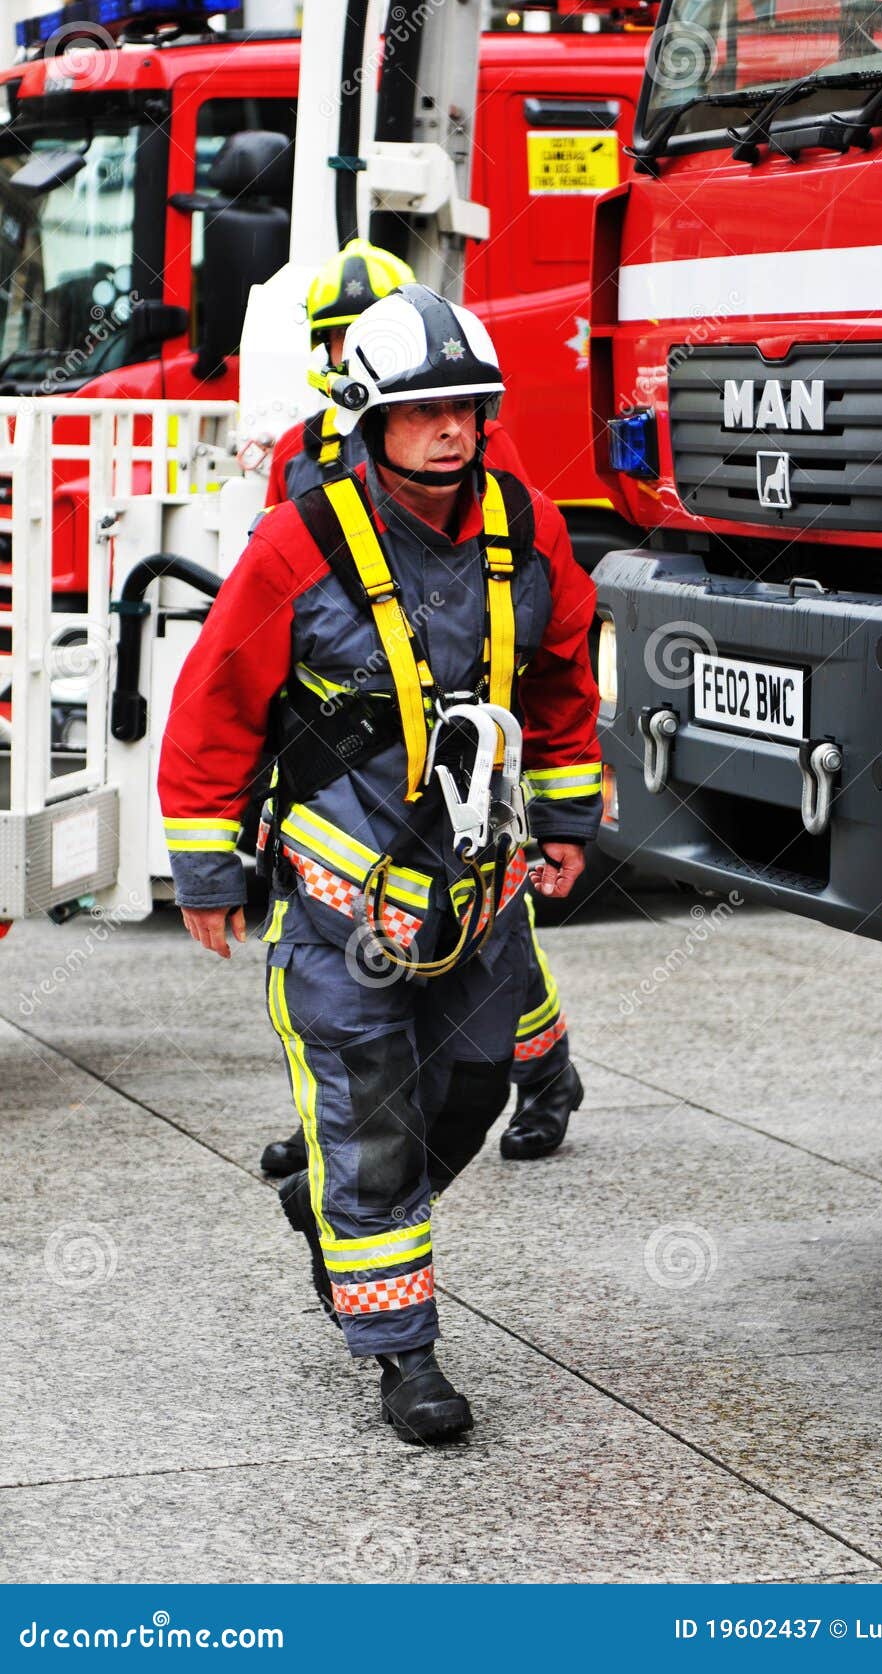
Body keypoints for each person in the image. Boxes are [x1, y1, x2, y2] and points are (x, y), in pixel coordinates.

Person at [158, 286, 602, 1443]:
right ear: (366, 417)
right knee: (372, 1114)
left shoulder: (528, 524)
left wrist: (566, 816)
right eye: (424, 411)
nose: (453, 428)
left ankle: (331, 1209)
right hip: (341, 893)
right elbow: (216, 706)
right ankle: (403, 1354)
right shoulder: (298, 540)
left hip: (477, 888)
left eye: (467, 407)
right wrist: (208, 868)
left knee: (473, 1088)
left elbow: (556, 682)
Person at [258, 239, 584, 1179]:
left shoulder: (461, 439)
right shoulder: (301, 452)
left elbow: (515, 565)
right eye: (330, 338)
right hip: (357, 762)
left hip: (462, 746)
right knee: (336, 973)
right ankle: (344, 1132)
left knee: (491, 935)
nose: (341, 351)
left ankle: (545, 1071)